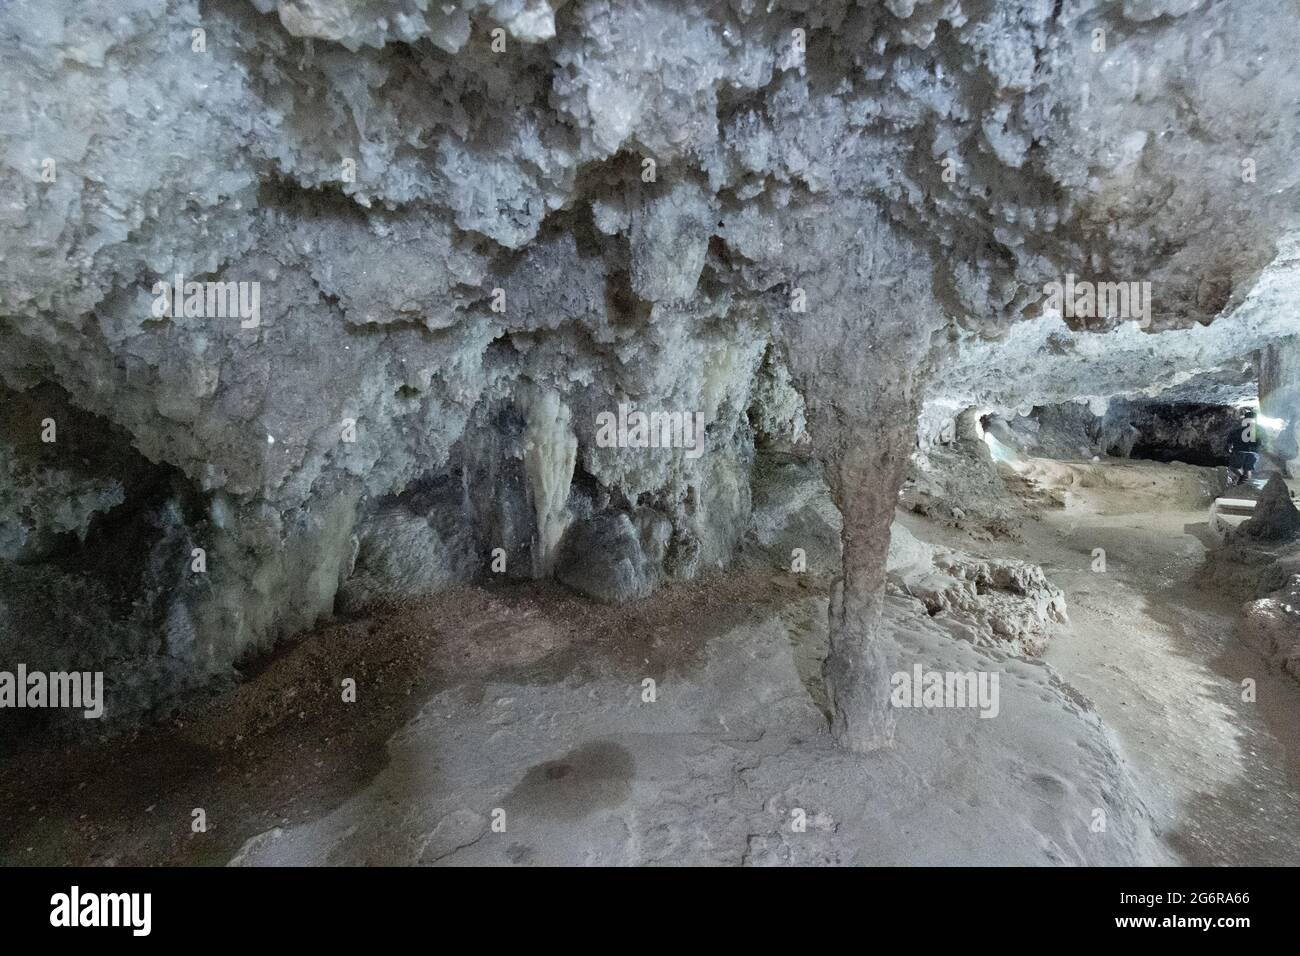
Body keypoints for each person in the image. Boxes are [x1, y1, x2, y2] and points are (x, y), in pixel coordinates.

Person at [1227, 408, 1262, 484]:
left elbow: (1230, 439)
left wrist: (1229, 449)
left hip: (1240, 451)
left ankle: (1240, 478)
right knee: (1248, 469)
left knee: (1233, 467)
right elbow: (1263, 442)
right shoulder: (1260, 429)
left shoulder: (1239, 428)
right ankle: (1245, 484)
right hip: (1254, 452)